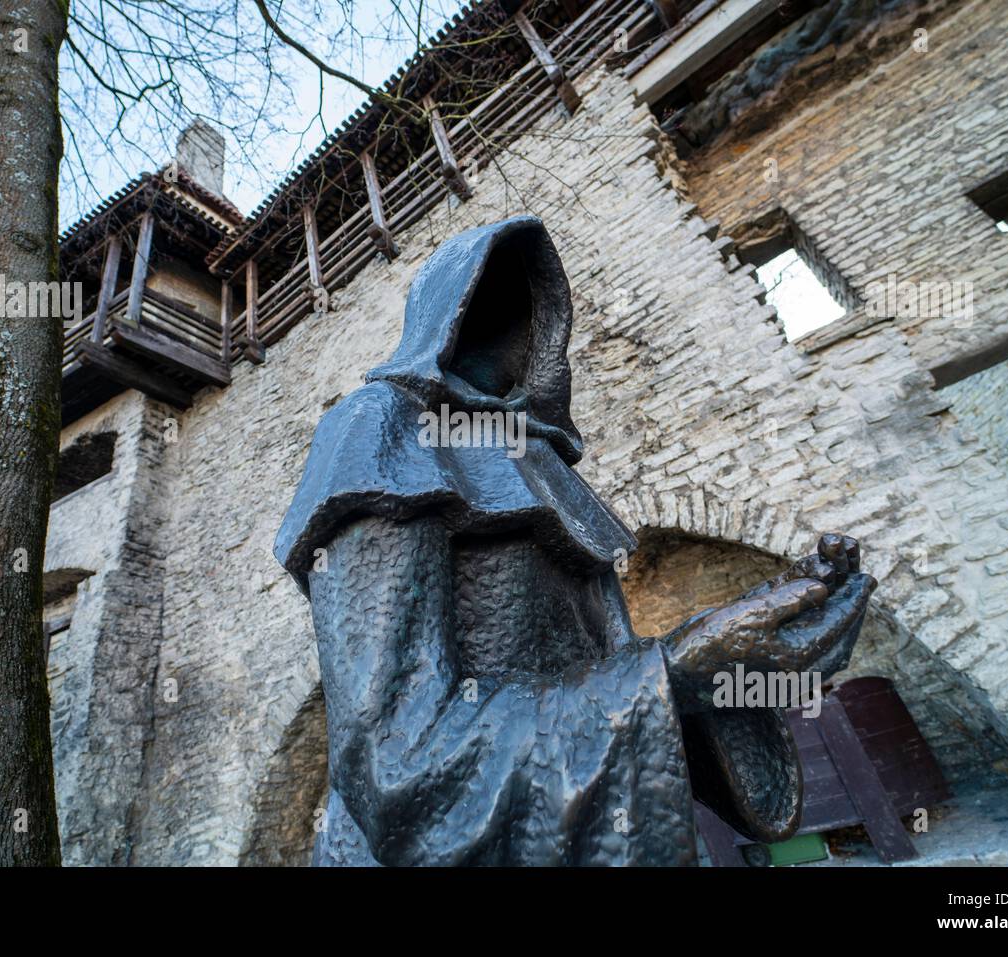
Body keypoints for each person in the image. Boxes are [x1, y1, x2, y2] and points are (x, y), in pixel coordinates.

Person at [275, 215, 875, 866]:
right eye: (496, 298)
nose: (520, 322)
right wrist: (674, 674)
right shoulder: (377, 427)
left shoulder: (542, 460)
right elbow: (396, 756)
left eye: (529, 301)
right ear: (448, 310)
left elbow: (607, 676)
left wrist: (724, 664)